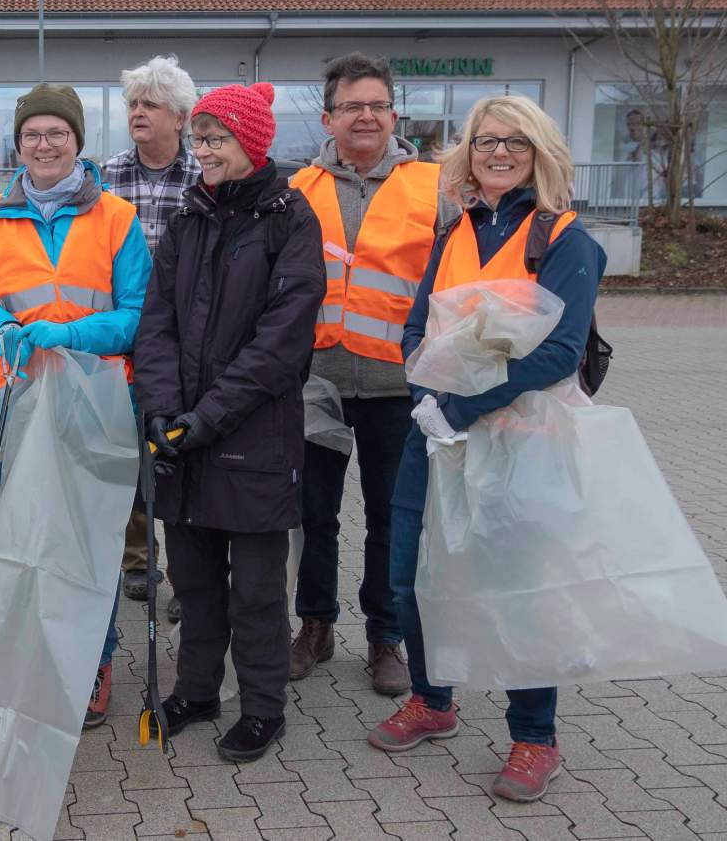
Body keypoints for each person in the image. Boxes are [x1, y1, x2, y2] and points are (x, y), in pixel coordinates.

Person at [368, 94, 606, 803]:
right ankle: (432, 698)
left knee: (517, 590)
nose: (497, 152)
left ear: (540, 152)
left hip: (519, 439)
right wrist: (424, 394)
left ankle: (536, 735)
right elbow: (415, 326)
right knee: (411, 573)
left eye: (514, 142)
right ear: (467, 154)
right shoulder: (456, 230)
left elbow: (561, 351)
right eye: (484, 141)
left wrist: (461, 403)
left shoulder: (565, 239)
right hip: (437, 435)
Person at [134, 82, 325, 763]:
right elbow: (156, 323)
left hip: (253, 437)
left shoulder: (289, 218)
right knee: (193, 580)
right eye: (200, 138)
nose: (204, 151)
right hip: (184, 436)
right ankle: (197, 688)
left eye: (217, 139)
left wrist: (204, 417)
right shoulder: (190, 216)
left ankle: (264, 706)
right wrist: (160, 411)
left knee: (255, 590)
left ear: (252, 142)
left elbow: (283, 341)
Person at [0, 83, 151, 730]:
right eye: (32, 133)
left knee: (90, 535)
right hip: (17, 394)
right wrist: (1, 330)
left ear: (77, 142)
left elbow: (136, 315)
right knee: (27, 532)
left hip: (95, 396)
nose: (44, 144)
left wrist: (70, 335)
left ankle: (94, 659)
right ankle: (38, 651)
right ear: (17, 143)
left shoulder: (117, 218)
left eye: (57, 133)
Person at [287, 53, 462, 694]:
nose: (365, 116)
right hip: (317, 382)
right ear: (329, 118)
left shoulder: (438, 187)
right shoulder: (297, 190)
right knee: (314, 514)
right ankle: (315, 625)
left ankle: (385, 635)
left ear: (393, 115)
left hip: (400, 384)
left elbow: (454, 284)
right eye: (351, 106)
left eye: (377, 106)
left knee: (393, 516)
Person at [102, 54, 201, 617]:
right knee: (127, 452)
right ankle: (139, 560)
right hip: (123, 335)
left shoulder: (203, 174)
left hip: (188, 340)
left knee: (180, 452)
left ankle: (192, 572)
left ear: (181, 117)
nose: (138, 113)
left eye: (151, 104)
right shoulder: (107, 176)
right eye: (133, 104)